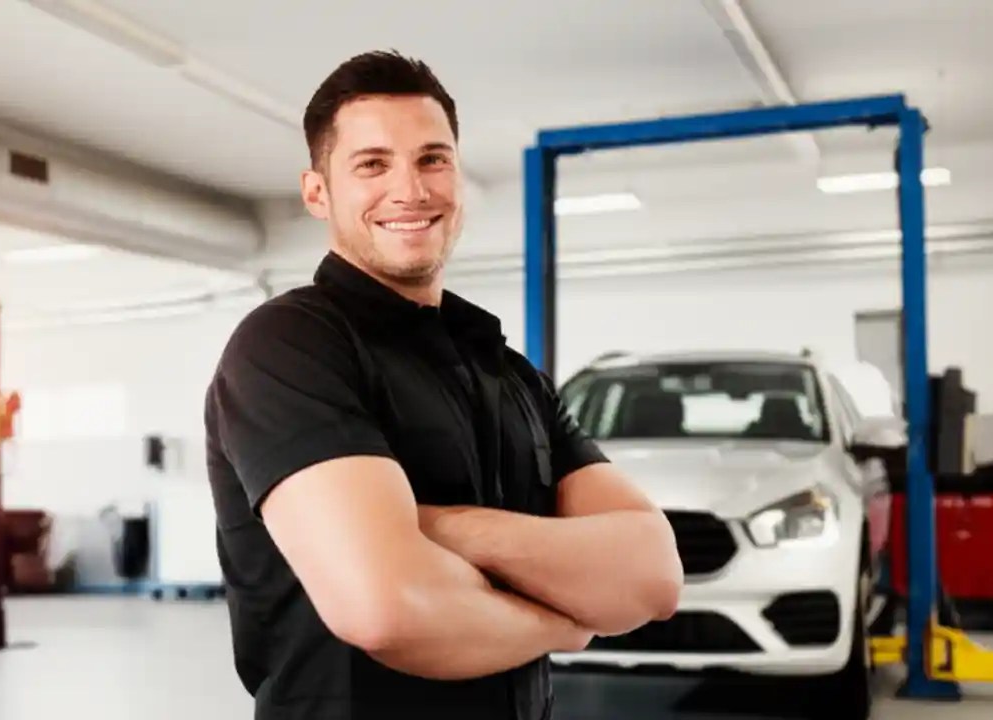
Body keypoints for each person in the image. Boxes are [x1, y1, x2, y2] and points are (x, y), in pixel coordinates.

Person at [205, 50, 684, 720]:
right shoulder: (291, 346)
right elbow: (386, 610)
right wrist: (567, 621)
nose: (411, 189)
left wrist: (448, 530)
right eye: (372, 164)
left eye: (433, 159)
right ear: (318, 192)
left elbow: (654, 573)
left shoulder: (510, 373)